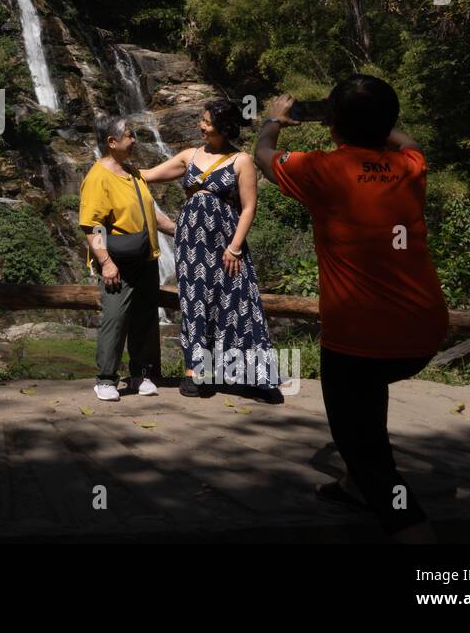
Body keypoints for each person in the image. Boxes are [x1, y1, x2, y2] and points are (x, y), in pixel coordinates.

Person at [254, 74, 449, 543]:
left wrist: (273, 121)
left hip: (359, 338)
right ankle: (353, 486)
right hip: (423, 331)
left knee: (367, 453)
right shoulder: (411, 166)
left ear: (333, 124)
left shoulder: (321, 169)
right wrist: (380, 125)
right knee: (368, 399)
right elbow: (410, 141)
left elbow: (262, 156)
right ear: (387, 125)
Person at [141, 100, 282, 403]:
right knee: (195, 302)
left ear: (224, 126)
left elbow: (249, 208)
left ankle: (250, 375)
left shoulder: (241, 160)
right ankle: (195, 371)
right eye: (202, 120)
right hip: (191, 244)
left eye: (206, 122)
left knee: (237, 302)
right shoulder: (189, 156)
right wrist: (114, 167)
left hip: (226, 243)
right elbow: (147, 175)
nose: (201, 126)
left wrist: (234, 247)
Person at [79, 114, 176, 402]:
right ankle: (106, 379)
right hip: (118, 262)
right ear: (112, 142)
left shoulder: (130, 172)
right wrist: (106, 262)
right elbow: (92, 226)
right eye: (129, 136)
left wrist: (180, 230)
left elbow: (151, 214)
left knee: (144, 318)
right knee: (115, 318)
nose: (134, 140)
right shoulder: (98, 178)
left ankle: (139, 374)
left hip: (147, 257)